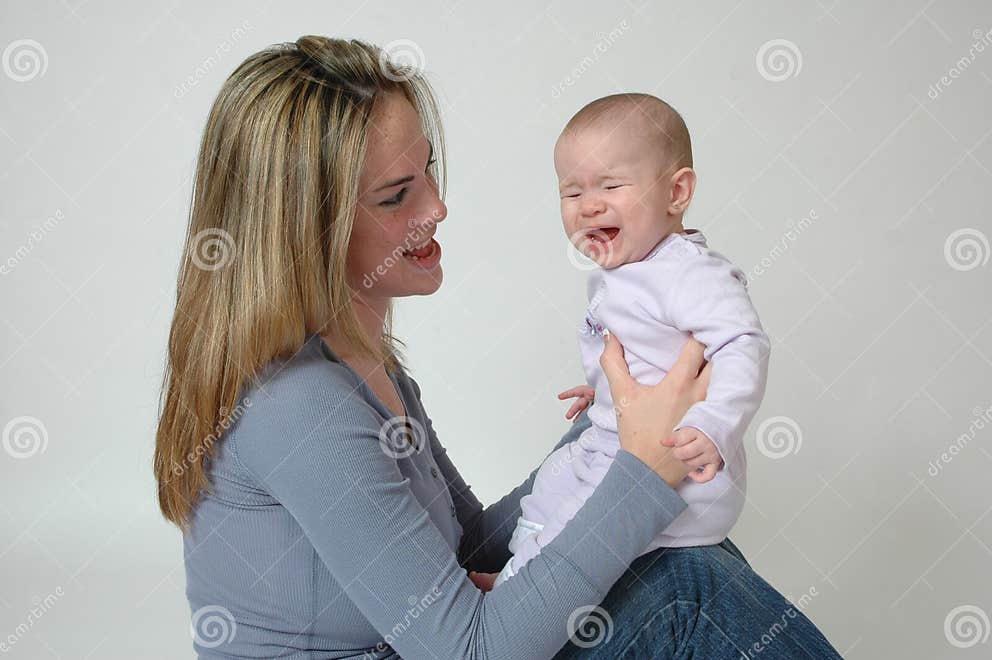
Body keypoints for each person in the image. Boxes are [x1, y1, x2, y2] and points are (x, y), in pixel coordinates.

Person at [153, 35, 843, 658]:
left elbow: (466, 551)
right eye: (397, 194)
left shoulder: (362, 360)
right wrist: (640, 468)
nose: (436, 207)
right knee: (688, 587)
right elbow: (472, 653)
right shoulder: (300, 406)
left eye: (428, 170)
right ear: (309, 230)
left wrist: (612, 428)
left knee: (687, 551)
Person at [490, 93, 770, 589]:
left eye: (611, 185)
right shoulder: (629, 269)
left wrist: (713, 423)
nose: (589, 205)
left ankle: (517, 594)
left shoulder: (689, 273)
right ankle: (516, 579)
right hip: (617, 443)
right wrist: (603, 390)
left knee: (578, 523)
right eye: (571, 192)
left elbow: (743, 344)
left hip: (677, 468)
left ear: (677, 192)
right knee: (548, 487)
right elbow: (650, 353)